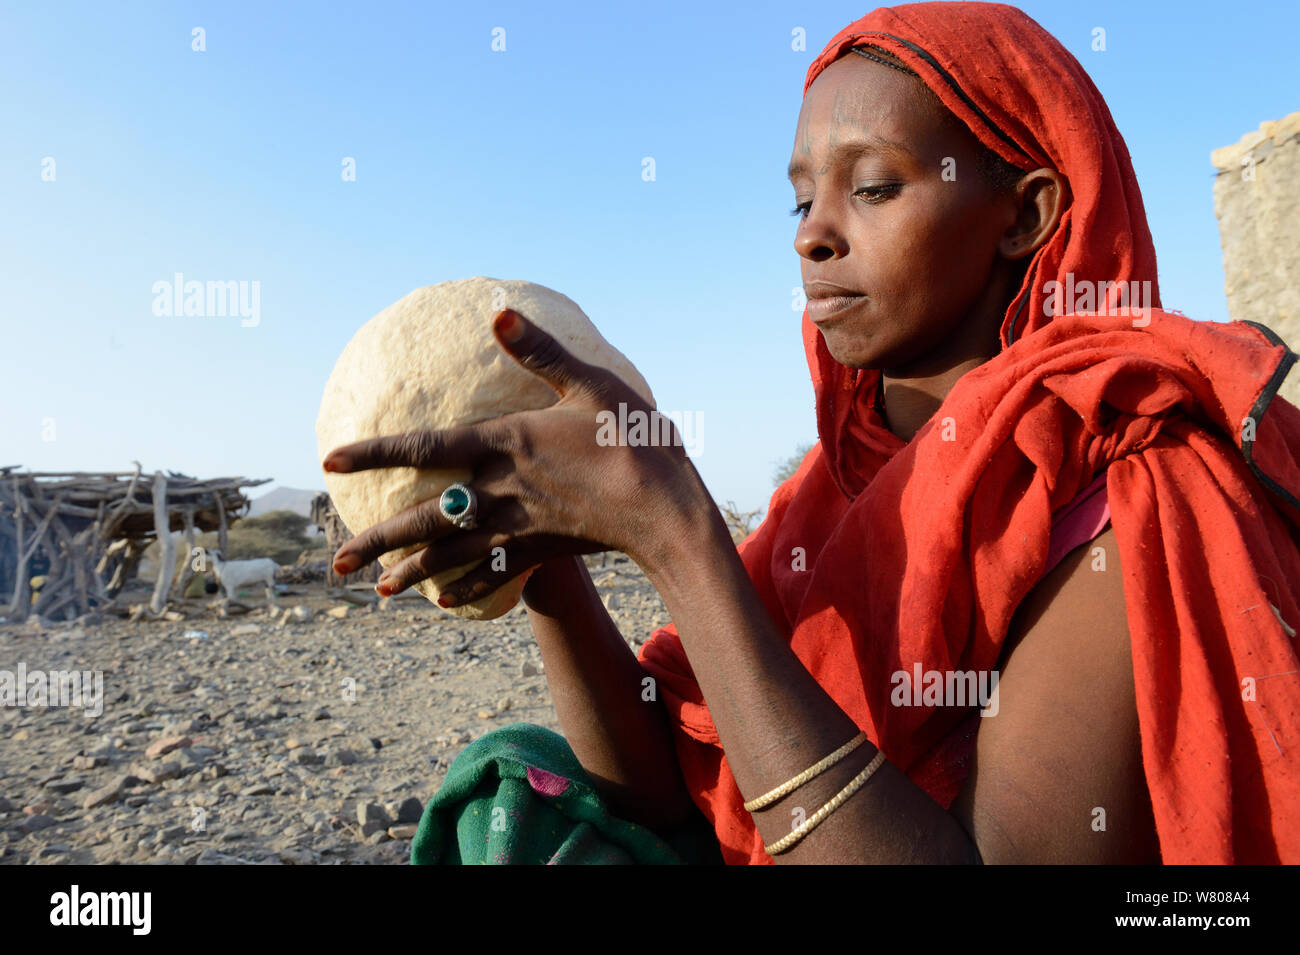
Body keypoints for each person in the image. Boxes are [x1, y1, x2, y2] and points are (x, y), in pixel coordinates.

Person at [322, 2, 1300, 864]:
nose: (811, 235)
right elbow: (672, 794)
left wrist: (676, 537)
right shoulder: (833, 498)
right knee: (515, 779)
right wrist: (547, 564)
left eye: (870, 186)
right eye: (801, 197)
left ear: (1025, 215)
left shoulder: (1126, 486)